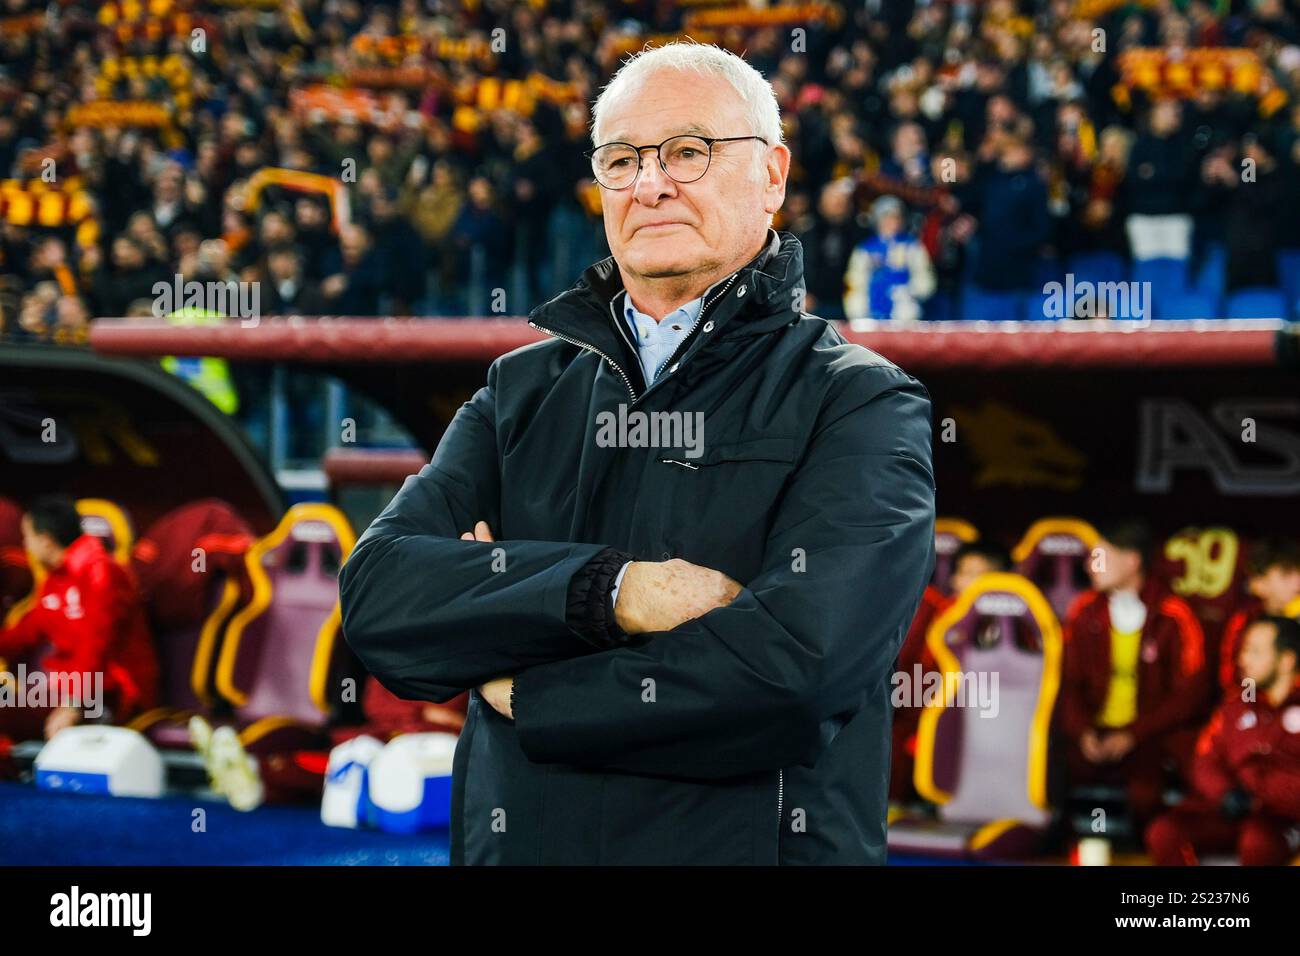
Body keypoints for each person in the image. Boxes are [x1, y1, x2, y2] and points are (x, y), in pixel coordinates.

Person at [340, 41, 937, 866]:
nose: (649, 183)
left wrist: (529, 687)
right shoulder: (520, 389)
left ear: (773, 176)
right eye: (620, 160)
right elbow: (379, 601)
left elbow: (793, 678)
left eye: (688, 152)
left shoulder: (860, 402)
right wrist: (613, 592)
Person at [1057, 519, 1209, 827]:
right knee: (1047, 777)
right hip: (1093, 735)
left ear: (1131, 561)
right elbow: (1066, 682)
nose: (1090, 566)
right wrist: (1083, 731)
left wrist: (1132, 735)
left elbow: (1189, 695)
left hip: (1149, 738)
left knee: (1145, 796)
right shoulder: (1084, 611)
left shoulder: (1174, 614)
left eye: (1099, 557)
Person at [0, 496, 158, 743]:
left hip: (114, 692)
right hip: (67, 690)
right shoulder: (54, 582)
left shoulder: (103, 572)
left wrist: (74, 703)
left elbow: (96, 644)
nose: (25, 546)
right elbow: (23, 635)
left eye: (27, 537)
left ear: (46, 541)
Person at [1145, 616, 1300, 865]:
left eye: (1255, 652)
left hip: (1282, 819)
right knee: (1165, 832)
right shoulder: (1237, 705)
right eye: (1244, 650)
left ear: (1286, 661)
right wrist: (1225, 794)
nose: (1243, 660)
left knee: (1257, 842)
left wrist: (1260, 792)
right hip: (1231, 809)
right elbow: (1205, 760)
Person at [842, 195, 936, 321]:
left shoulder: (912, 247)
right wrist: (856, 309)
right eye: (886, 217)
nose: (891, 222)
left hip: (903, 312)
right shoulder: (865, 249)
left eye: (896, 217)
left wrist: (910, 291)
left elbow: (925, 278)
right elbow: (854, 280)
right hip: (870, 312)